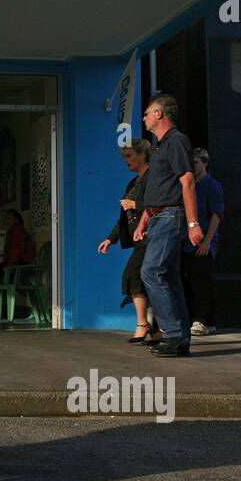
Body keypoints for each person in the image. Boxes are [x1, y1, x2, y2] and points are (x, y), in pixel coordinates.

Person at [132, 94, 204, 356]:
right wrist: (144, 221)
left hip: (171, 217)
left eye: (148, 112)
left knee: (151, 272)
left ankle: (171, 333)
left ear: (160, 114)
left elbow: (187, 181)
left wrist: (193, 223)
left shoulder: (176, 141)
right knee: (169, 277)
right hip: (158, 217)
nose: (144, 117)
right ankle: (180, 338)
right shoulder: (160, 145)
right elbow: (160, 189)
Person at [97, 139, 155, 343]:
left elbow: (160, 203)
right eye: (124, 157)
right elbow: (124, 217)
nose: (126, 161)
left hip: (151, 237)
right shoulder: (133, 182)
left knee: (133, 275)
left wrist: (135, 203)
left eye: (129, 156)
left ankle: (143, 324)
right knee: (145, 279)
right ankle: (152, 325)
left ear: (142, 155)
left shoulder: (151, 178)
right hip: (139, 239)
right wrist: (110, 239)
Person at [183, 147, 224, 336]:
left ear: (205, 163)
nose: (193, 166)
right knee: (191, 280)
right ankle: (197, 318)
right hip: (188, 241)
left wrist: (208, 241)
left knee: (202, 281)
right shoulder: (189, 185)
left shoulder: (212, 186)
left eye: (196, 162)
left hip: (204, 241)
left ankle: (203, 319)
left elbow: (216, 215)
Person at [0, 209, 37, 313]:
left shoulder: (17, 229)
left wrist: (8, 266)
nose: (7, 221)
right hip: (19, 262)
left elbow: (17, 249)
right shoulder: (14, 229)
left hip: (21, 263)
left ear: (16, 219)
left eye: (9, 219)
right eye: (6, 219)